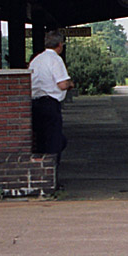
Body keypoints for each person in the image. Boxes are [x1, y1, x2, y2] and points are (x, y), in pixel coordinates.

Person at [29, 30, 74, 164]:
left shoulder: (36, 60)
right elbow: (62, 84)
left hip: (35, 103)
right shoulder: (55, 59)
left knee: (41, 140)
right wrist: (70, 83)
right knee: (54, 141)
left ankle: (41, 168)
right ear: (60, 45)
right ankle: (53, 169)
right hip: (50, 103)